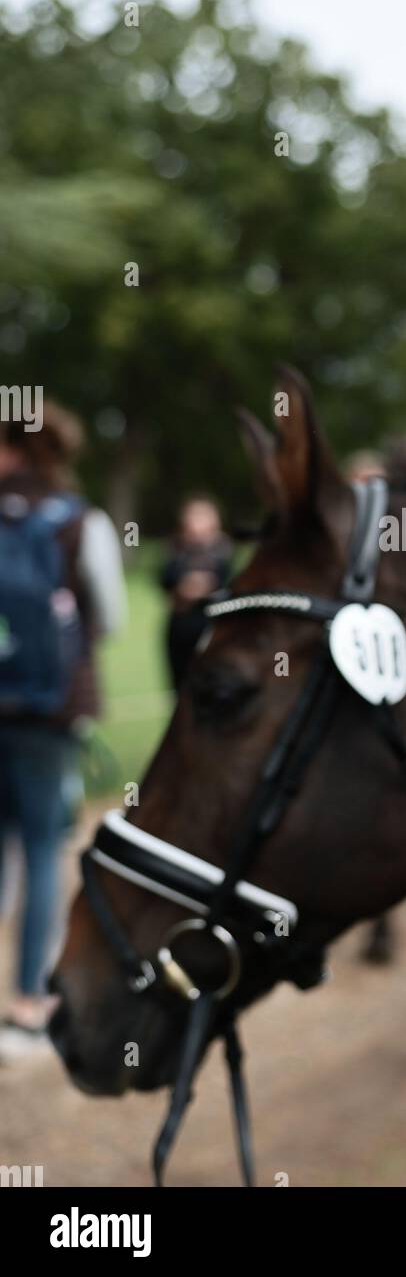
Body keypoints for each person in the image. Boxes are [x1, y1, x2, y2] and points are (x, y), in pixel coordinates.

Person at [0, 401, 125, 1063]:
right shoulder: (80, 521)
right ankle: (28, 1000)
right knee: (44, 852)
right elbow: (108, 616)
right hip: (50, 713)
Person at [159, 495, 232, 691]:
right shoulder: (176, 549)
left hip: (210, 625)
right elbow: (165, 580)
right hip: (181, 626)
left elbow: (227, 581)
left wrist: (202, 586)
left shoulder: (222, 550)